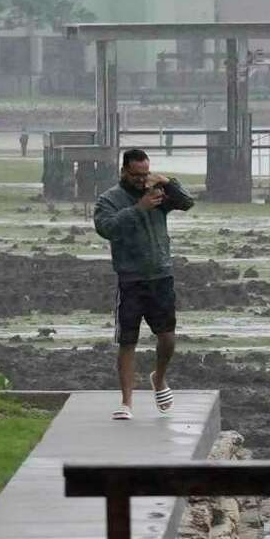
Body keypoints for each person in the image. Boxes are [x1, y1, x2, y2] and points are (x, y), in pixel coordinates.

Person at [93, 148, 195, 421]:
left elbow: (187, 203)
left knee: (168, 337)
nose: (142, 180)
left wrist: (167, 182)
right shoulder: (109, 199)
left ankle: (159, 378)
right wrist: (139, 208)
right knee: (127, 341)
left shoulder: (159, 192)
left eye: (146, 173)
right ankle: (126, 402)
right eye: (137, 175)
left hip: (161, 275)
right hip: (130, 278)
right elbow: (107, 228)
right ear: (124, 171)